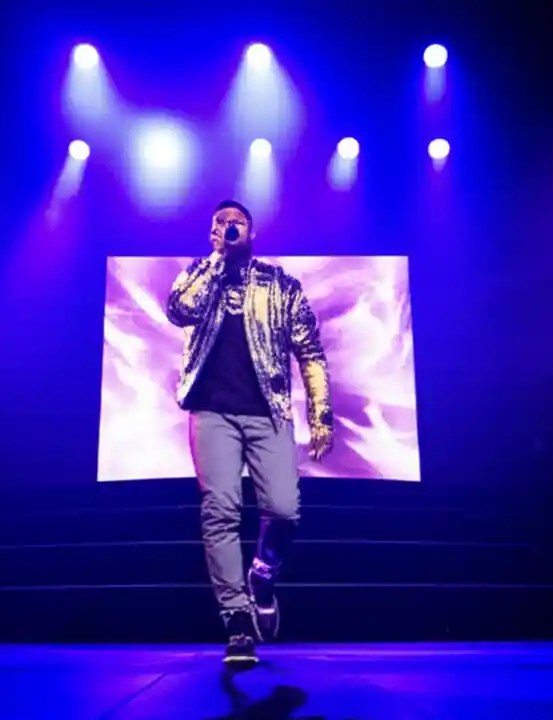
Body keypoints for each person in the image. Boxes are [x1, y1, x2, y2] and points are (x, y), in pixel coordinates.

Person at [165, 199, 334, 665]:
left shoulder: (281, 285)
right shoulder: (200, 276)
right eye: (219, 222)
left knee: (283, 508)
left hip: (268, 413)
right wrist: (217, 261)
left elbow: (310, 351)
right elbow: (178, 310)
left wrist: (321, 413)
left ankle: (263, 574)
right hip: (211, 412)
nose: (228, 227)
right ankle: (237, 621)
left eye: (237, 222)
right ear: (211, 233)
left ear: (253, 232)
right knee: (219, 511)